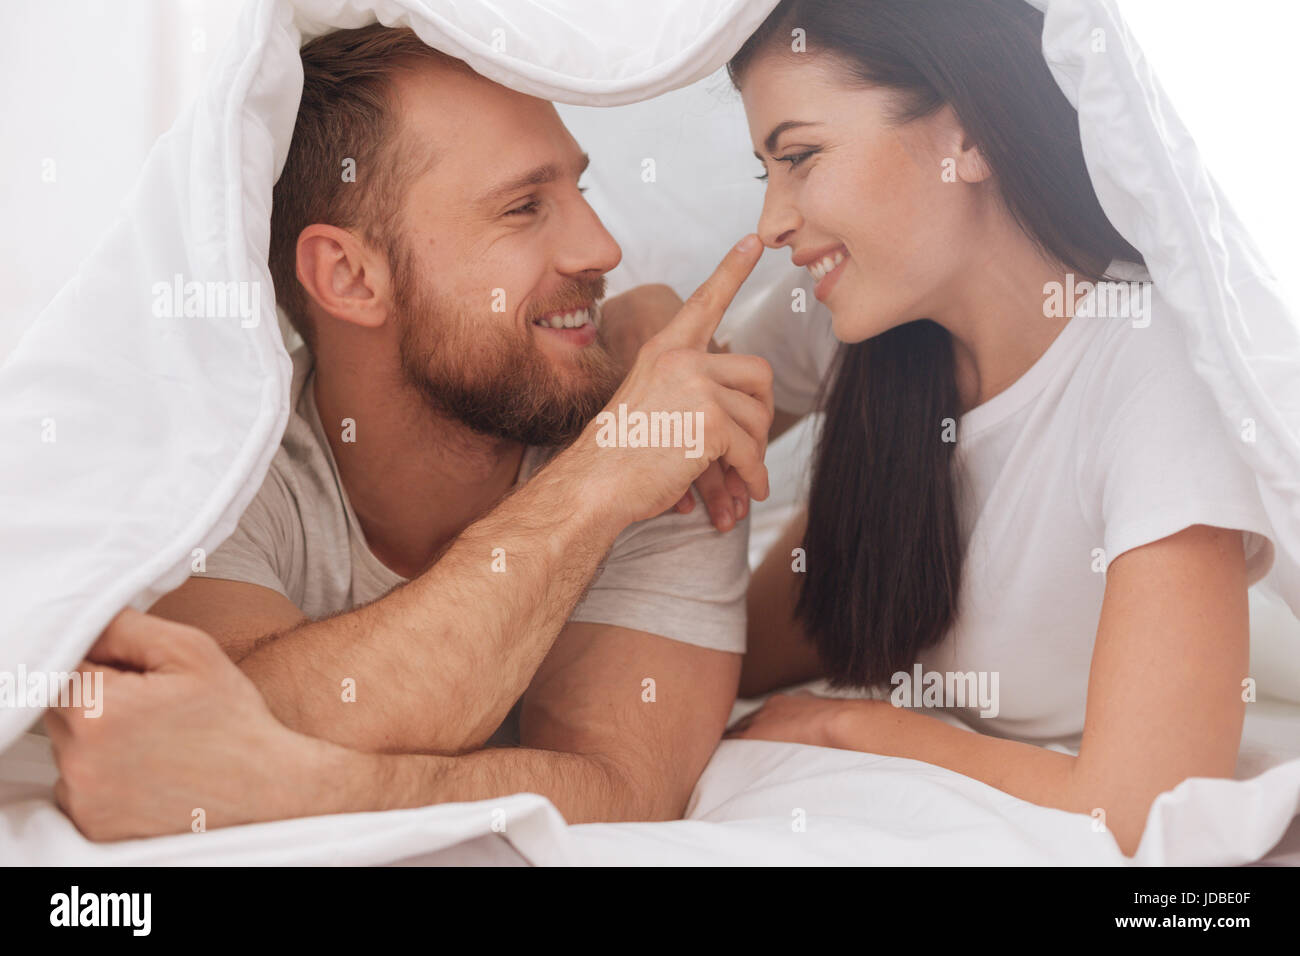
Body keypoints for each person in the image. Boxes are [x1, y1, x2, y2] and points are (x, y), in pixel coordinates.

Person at [43, 25, 774, 841]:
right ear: (350, 276)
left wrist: (305, 789)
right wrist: (596, 482)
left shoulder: (659, 438)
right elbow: (203, 736)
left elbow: (622, 794)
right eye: (524, 207)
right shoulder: (212, 473)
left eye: (580, 191)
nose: (602, 248)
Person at [710, 0, 1275, 857]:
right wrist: (641, 322)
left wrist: (847, 728)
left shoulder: (1150, 362)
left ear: (966, 137)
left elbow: (1141, 810)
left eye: (801, 157)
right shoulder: (844, 312)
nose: (772, 222)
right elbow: (672, 389)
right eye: (767, 173)